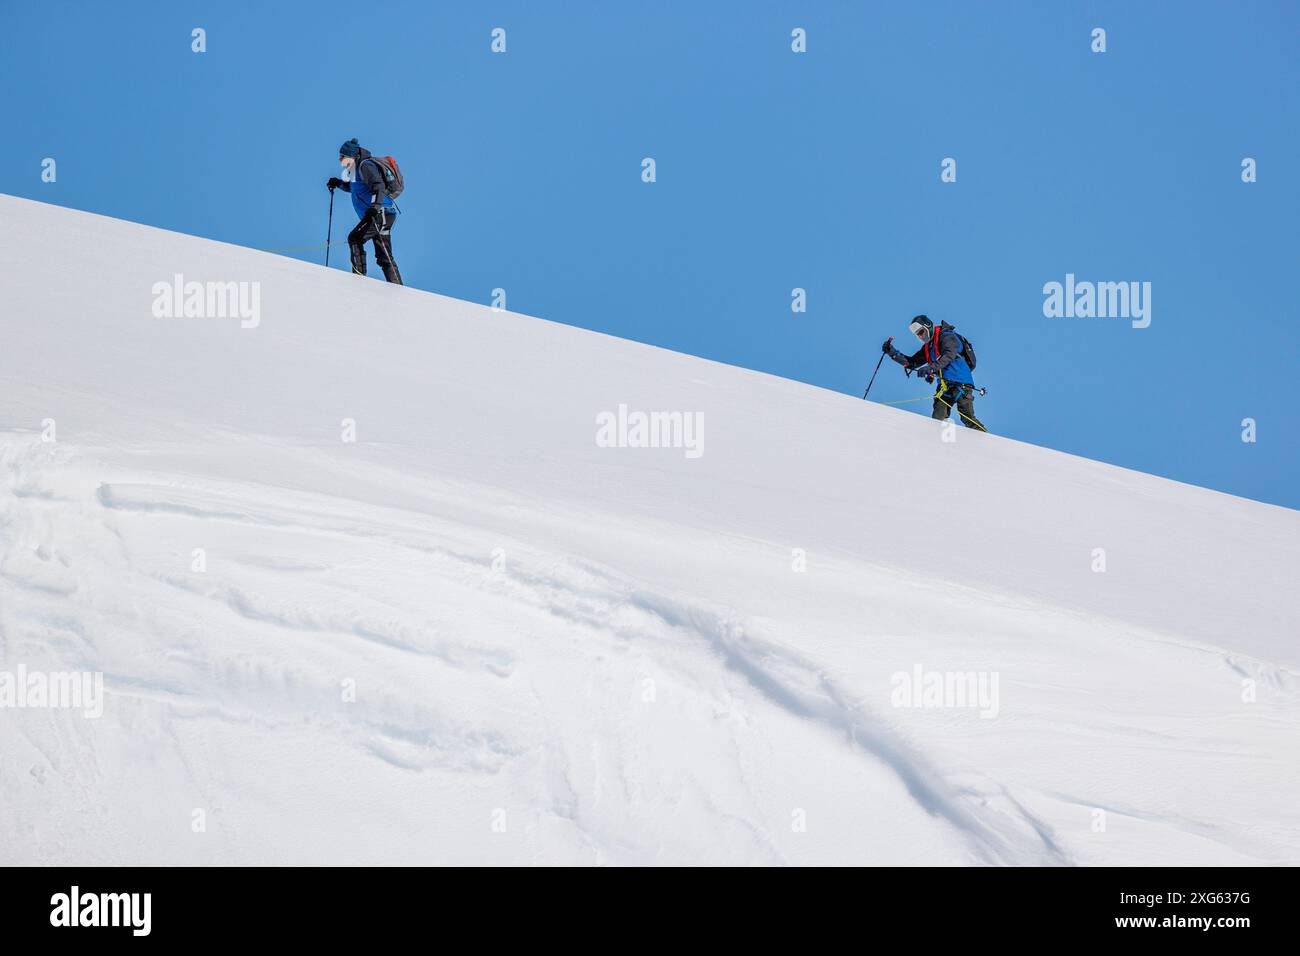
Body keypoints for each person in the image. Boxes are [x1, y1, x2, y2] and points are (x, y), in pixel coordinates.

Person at [883, 315, 987, 431]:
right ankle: (937, 445)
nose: (920, 336)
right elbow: (912, 362)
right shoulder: (928, 347)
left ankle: (989, 441)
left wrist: (931, 368)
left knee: (967, 417)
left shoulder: (947, 336)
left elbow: (949, 355)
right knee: (937, 419)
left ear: (928, 327)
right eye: (918, 334)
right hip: (945, 386)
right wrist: (892, 353)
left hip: (961, 383)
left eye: (921, 332)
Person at [326, 138, 402, 285]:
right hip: (385, 214)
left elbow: (378, 186)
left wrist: (374, 207)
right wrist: (339, 183)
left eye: (342, 157)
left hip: (379, 213)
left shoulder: (365, 166)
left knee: (355, 238)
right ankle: (398, 288)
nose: (340, 160)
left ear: (351, 156)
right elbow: (355, 189)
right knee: (384, 256)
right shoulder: (356, 171)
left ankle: (358, 279)